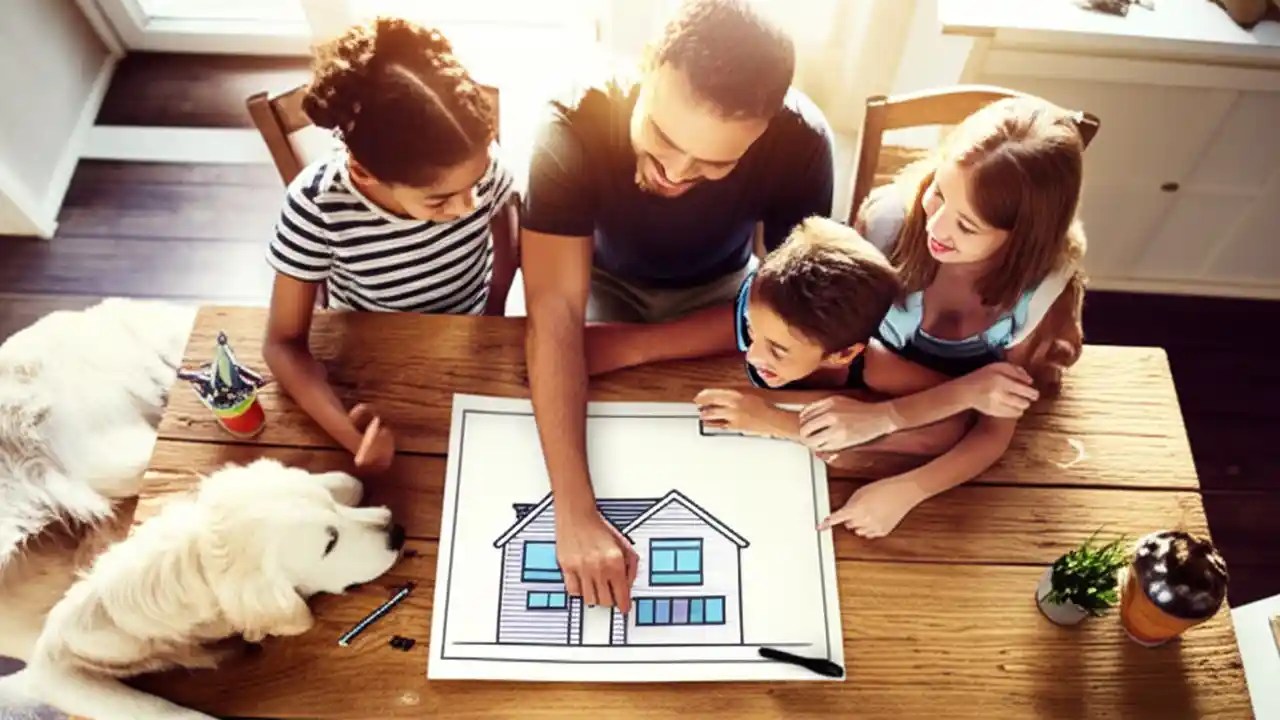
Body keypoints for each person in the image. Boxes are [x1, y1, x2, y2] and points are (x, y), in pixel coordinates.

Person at [521, 0, 835, 613]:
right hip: (598, 284)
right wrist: (575, 512)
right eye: (662, 137)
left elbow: (790, 316)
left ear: (765, 130)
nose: (674, 170)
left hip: (727, 296)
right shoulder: (568, 121)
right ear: (646, 66)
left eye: (715, 163)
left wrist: (640, 345)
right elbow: (554, 311)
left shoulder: (802, 142)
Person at [795, 96, 1090, 539]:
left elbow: (993, 429)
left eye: (967, 226)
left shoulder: (1038, 301)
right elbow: (844, 339)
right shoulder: (888, 224)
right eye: (938, 191)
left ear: (1023, 239)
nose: (935, 228)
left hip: (942, 454)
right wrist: (963, 391)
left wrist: (905, 491)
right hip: (864, 406)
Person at [262, 17, 518, 476]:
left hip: (471, 333)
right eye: (439, 200)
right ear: (364, 173)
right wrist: (351, 436)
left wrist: (496, 302)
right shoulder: (317, 206)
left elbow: (504, 220)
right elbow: (282, 344)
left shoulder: (482, 170)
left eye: (476, 184)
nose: (468, 207)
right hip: (375, 354)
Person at [693, 216, 1017, 456]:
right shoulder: (767, 312)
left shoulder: (872, 364)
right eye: (751, 330)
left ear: (841, 355)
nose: (753, 355)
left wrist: (781, 422)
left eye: (778, 351)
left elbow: (953, 423)